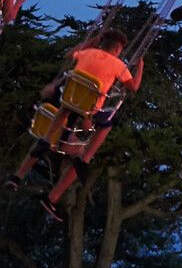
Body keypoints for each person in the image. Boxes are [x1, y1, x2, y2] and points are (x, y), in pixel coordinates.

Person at [42, 33, 141, 208]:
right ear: (117, 49)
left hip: (71, 100)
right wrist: (140, 67)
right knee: (107, 124)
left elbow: (69, 54)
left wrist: (90, 42)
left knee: (66, 109)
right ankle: (85, 158)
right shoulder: (118, 65)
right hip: (90, 109)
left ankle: (47, 139)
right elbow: (133, 87)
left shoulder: (87, 53)